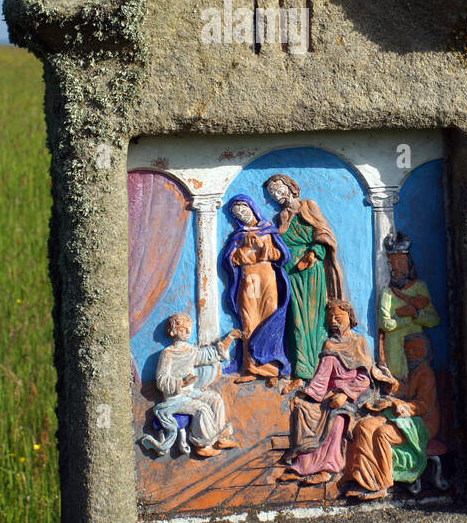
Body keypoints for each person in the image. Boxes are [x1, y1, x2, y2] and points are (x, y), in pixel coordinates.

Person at [278, 299, 395, 486]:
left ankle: (328, 468)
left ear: (350, 317)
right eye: (330, 317)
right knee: (304, 411)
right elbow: (321, 377)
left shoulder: (359, 342)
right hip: (329, 393)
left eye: (338, 317)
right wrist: (308, 395)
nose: (334, 321)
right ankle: (302, 466)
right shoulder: (329, 344)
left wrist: (345, 394)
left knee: (337, 418)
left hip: (354, 395)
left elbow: (364, 378)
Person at [264, 173, 345, 381]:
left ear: (290, 187)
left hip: (309, 270)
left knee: (312, 318)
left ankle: (315, 368)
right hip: (289, 272)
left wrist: (313, 253)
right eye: (272, 193)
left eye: (278, 188)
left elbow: (324, 233)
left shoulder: (308, 206)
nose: (276, 194)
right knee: (294, 319)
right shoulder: (281, 217)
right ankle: (299, 370)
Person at [343, 333, 435, 500]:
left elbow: (423, 405)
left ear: (426, 352)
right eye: (408, 351)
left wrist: (395, 404)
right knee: (365, 425)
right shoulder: (414, 372)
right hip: (404, 418)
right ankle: (365, 479)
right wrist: (392, 383)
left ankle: (382, 484)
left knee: (382, 433)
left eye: (416, 350)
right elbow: (406, 391)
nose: (411, 354)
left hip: (421, 423)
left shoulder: (426, 373)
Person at [143, 313, 241, 457]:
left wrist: (229, 338)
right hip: (175, 399)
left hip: (190, 393)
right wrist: (181, 383)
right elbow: (161, 380)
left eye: (189, 329)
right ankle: (202, 444)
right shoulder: (168, 353)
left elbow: (209, 354)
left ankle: (221, 438)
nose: (188, 332)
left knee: (215, 399)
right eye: (183, 329)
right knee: (202, 409)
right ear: (173, 331)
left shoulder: (190, 350)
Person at [221, 195, 291, 382]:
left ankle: (273, 370)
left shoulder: (268, 231)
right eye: (237, 213)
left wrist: (262, 247)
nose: (242, 214)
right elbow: (231, 260)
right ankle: (251, 369)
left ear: (252, 208)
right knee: (249, 322)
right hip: (249, 280)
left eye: (243, 209)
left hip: (267, 279)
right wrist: (245, 249)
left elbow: (282, 256)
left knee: (270, 320)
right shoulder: (238, 236)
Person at [377, 232, 440, 382]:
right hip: (394, 348)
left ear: (409, 264)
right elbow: (385, 324)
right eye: (392, 263)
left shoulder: (419, 287)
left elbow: (434, 320)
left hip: (416, 347)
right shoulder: (388, 293)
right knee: (399, 384)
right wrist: (409, 317)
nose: (396, 268)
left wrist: (415, 314)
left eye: (400, 263)